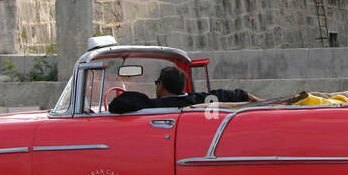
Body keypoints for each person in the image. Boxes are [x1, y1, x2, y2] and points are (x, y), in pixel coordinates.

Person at [107, 64, 258, 113]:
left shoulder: (153, 105)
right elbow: (230, 94)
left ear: (161, 85)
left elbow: (115, 105)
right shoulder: (195, 99)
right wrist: (258, 100)